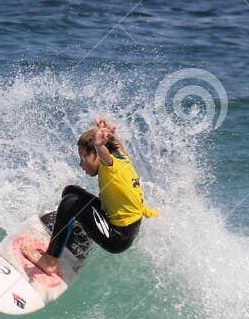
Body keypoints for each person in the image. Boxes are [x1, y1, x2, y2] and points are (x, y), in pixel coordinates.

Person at [21, 118, 158, 275]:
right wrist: (108, 135)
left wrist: (99, 144)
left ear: (96, 154)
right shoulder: (121, 157)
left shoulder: (110, 166)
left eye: (82, 157)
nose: (81, 164)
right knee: (71, 191)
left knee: (70, 202)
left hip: (117, 237)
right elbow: (116, 146)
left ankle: (50, 261)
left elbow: (104, 154)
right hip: (120, 223)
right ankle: (77, 235)